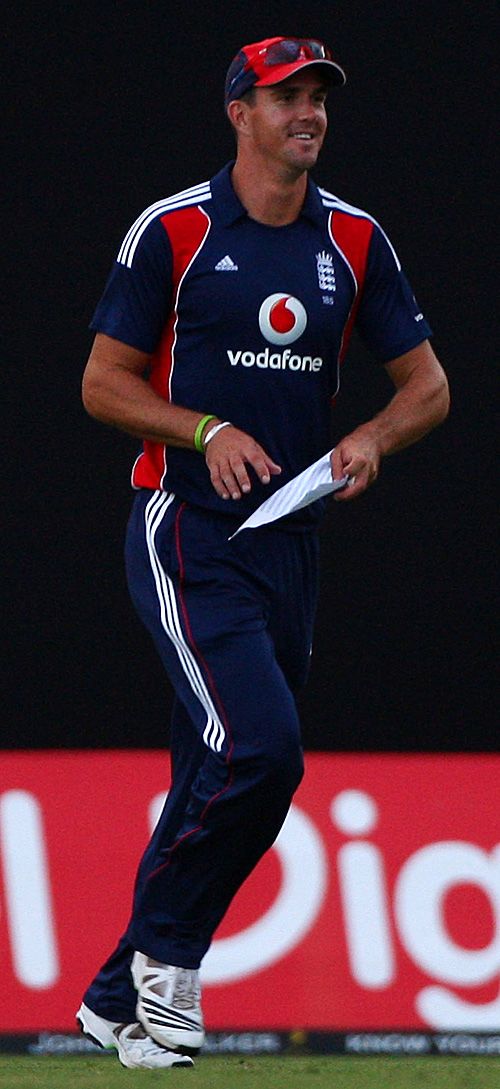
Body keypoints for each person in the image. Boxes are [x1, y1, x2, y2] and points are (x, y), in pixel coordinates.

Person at [77, 35, 449, 1069]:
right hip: (186, 529)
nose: (308, 113)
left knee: (217, 769)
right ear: (237, 110)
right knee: (261, 749)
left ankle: (112, 1001)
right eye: (286, 95)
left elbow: (428, 386)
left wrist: (370, 436)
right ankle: (166, 959)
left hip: (292, 541)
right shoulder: (176, 230)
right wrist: (200, 429)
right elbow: (101, 384)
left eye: (318, 97)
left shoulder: (354, 239)